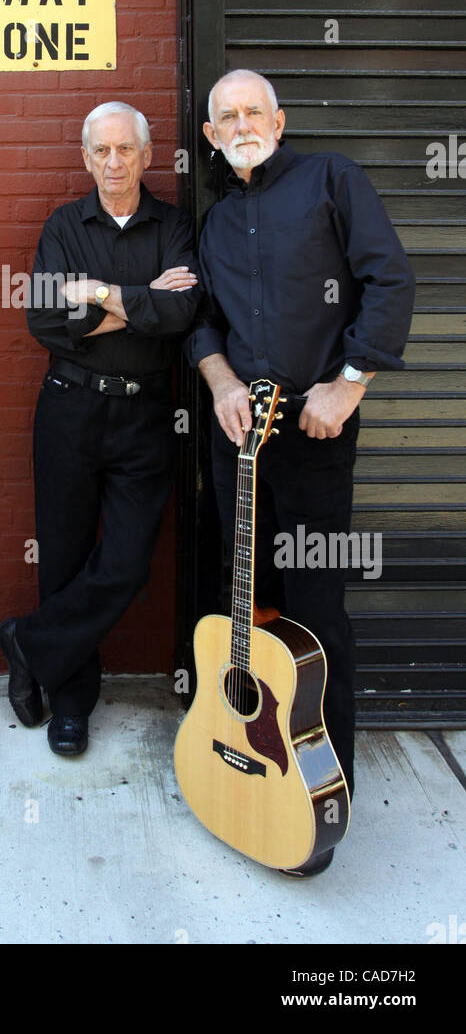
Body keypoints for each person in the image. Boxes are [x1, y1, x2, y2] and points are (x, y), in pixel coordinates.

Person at [186, 68, 415, 873]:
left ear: (277, 119)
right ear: (211, 136)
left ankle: (321, 785)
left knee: (316, 608)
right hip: (235, 432)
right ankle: (240, 757)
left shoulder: (331, 180)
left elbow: (390, 279)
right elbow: (201, 321)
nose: (242, 122)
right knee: (240, 598)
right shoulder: (212, 222)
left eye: (254, 110)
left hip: (313, 432)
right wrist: (217, 383)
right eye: (226, 116)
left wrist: (348, 385)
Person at [0, 101, 199, 756]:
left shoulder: (172, 225)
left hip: (147, 415)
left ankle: (28, 643)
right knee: (62, 557)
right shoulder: (63, 226)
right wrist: (141, 298)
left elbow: (185, 309)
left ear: (146, 155)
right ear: (86, 158)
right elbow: (44, 322)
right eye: (101, 151)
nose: (113, 162)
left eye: (125, 150)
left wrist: (100, 295)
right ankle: (71, 703)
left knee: (127, 563)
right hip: (69, 409)